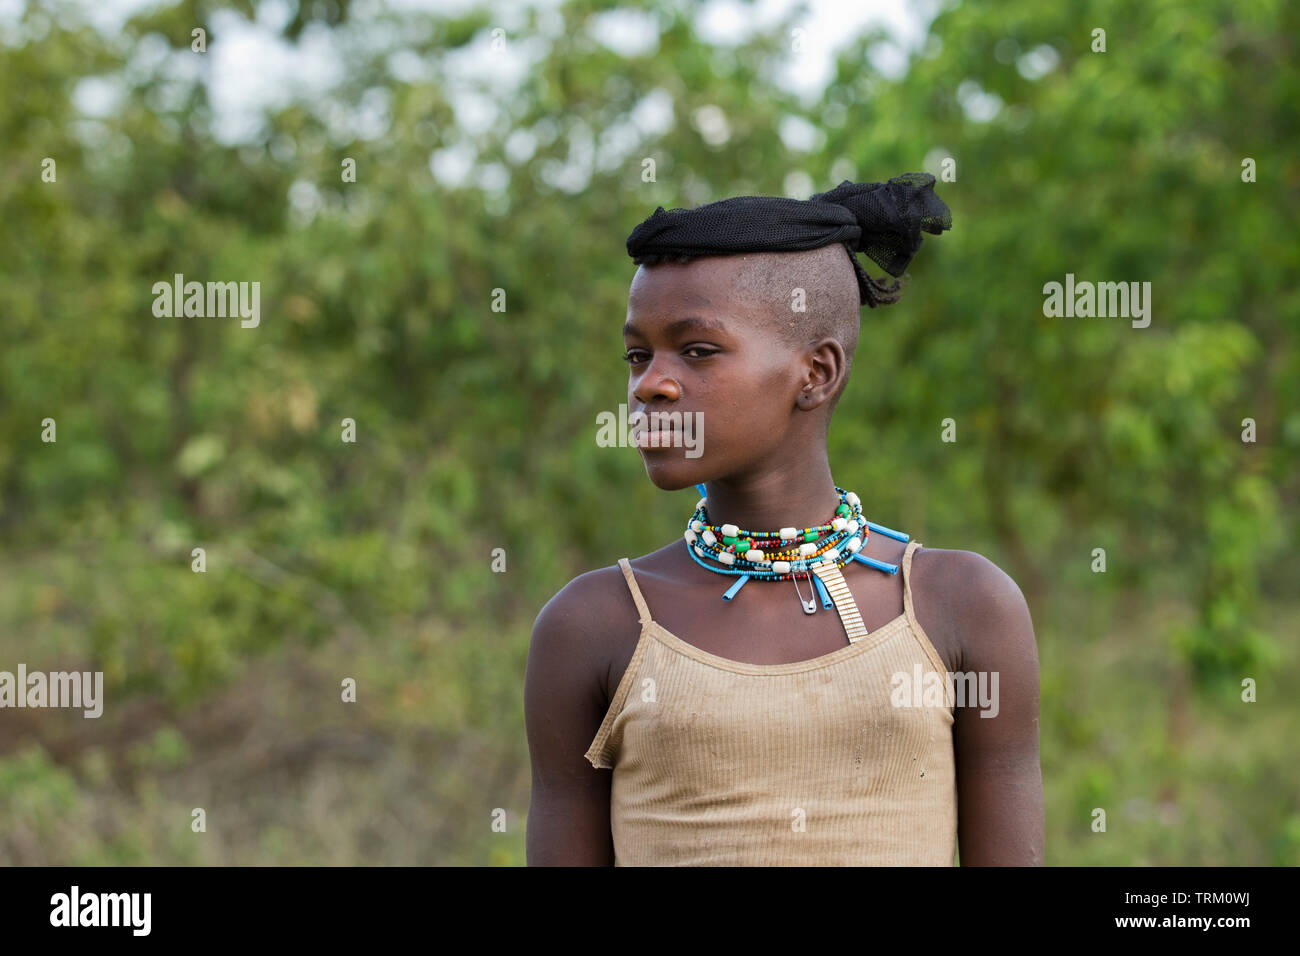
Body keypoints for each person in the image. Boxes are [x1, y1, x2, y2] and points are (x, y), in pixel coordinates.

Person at [525, 174, 1043, 865]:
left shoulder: (962, 607)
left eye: (698, 350)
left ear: (817, 373)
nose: (650, 384)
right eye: (638, 354)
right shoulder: (593, 625)